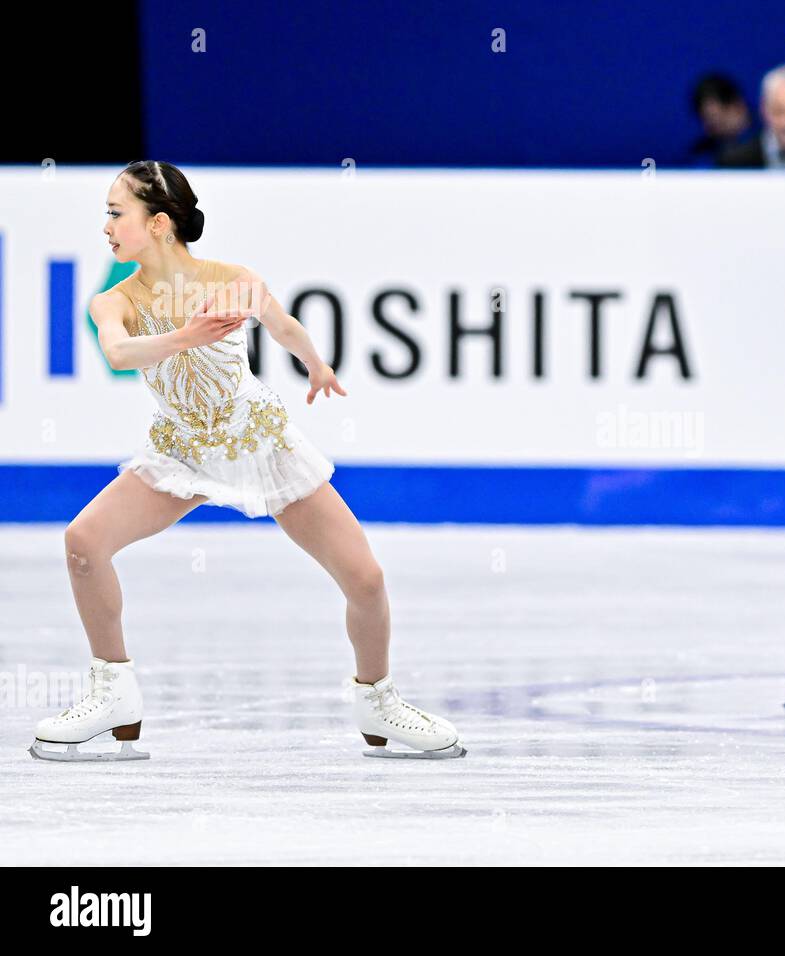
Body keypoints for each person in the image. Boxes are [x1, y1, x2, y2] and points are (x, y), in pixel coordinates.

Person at [30, 160, 465, 761]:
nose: (105, 226)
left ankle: (378, 702)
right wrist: (187, 336)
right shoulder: (114, 301)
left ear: (158, 223)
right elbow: (119, 352)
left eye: (115, 212)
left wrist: (317, 364)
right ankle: (114, 692)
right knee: (83, 542)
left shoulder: (232, 279)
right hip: (180, 449)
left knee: (365, 579)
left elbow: (282, 326)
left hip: (260, 441)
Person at [685, 72, 752, 167]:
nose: (712, 125)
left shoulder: (770, 142)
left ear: (738, 106)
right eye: (706, 119)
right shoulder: (702, 152)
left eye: (716, 117)